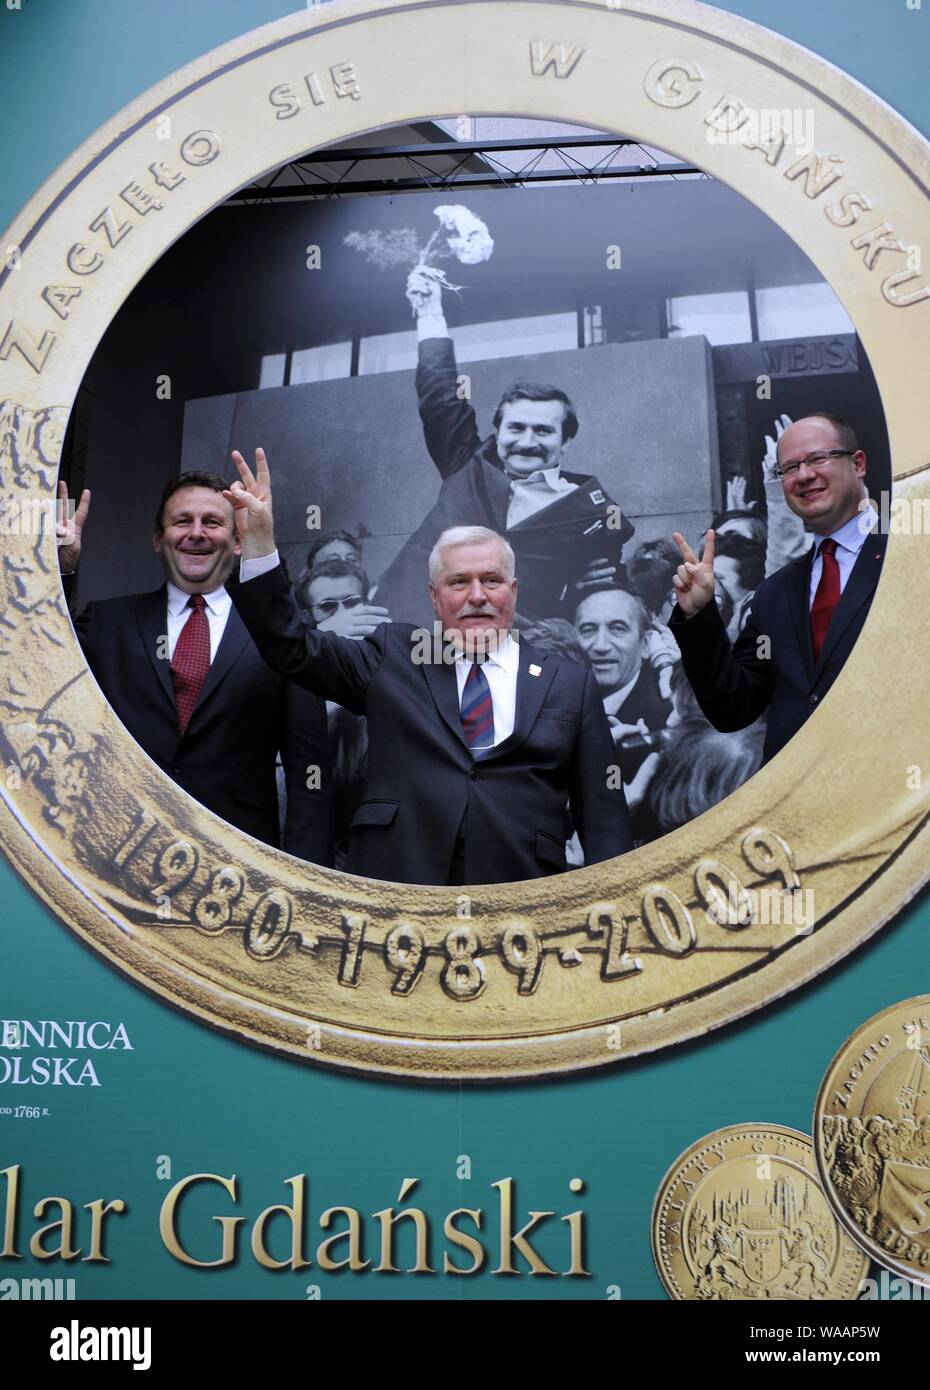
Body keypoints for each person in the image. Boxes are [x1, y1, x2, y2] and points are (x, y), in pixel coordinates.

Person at [223, 448, 632, 886]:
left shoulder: (568, 682)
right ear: (434, 597)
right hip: (397, 890)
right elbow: (291, 646)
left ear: (513, 591)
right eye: (459, 582)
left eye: (491, 580)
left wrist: (612, 905)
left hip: (520, 898)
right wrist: (261, 546)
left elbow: (603, 813)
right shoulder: (393, 655)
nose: (477, 595)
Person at [57, 471, 334, 862]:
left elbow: (310, 780)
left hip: (238, 866)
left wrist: (309, 885)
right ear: (158, 539)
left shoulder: (283, 634)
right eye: (182, 521)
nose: (197, 533)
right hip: (115, 854)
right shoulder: (107, 622)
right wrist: (57, 571)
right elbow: (43, 675)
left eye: (213, 522)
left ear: (238, 541)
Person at [371, 267, 634, 625]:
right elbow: (439, 396)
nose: (527, 442)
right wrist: (431, 311)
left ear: (566, 441)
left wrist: (576, 593)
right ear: (498, 431)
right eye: (516, 428)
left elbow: (602, 591)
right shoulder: (467, 461)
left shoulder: (592, 513)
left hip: (501, 652)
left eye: (542, 431)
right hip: (410, 629)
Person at [668, 414, 886, 763]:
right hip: (798, 803)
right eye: (789, 469)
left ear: (857, 464)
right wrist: (698, 615)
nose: (804, 475)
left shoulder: (908, 560)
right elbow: (732, 708)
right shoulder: (774, 592)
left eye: (818, 459)